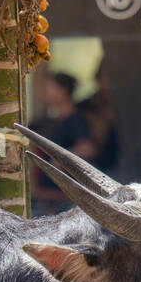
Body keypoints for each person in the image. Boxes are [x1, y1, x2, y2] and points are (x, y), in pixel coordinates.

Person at [31, 71, 96, 215]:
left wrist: (61, 160)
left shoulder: (75, 120)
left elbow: (88, 148)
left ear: (63, 92)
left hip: (65, 196)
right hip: (49, 193)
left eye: (50, 89)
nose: (46, 93)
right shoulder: (54, 120)